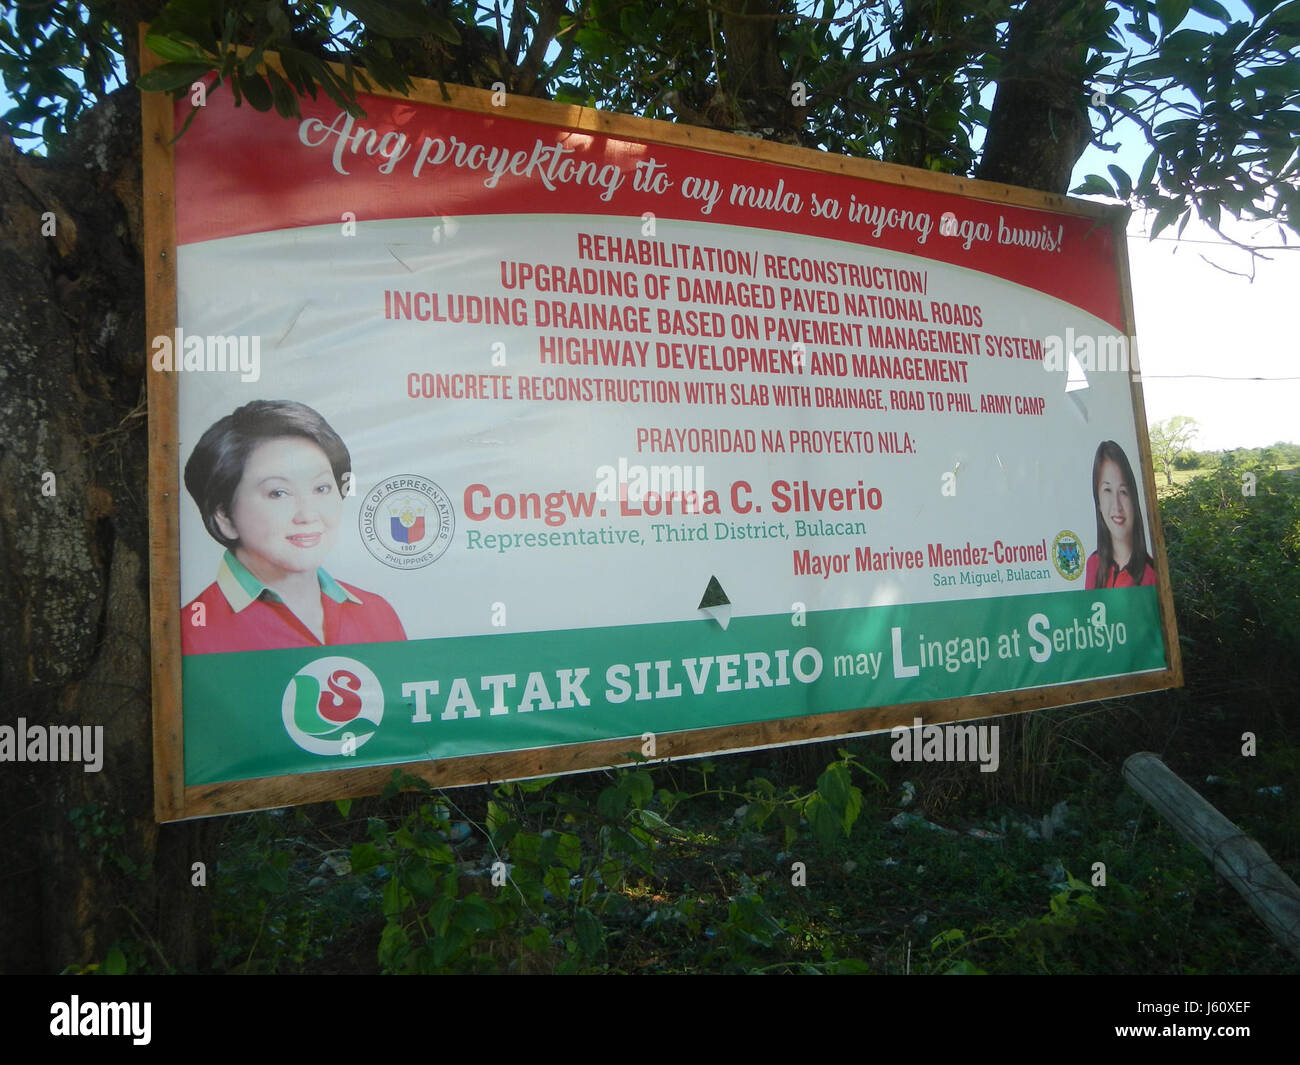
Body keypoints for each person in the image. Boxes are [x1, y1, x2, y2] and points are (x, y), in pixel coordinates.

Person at [182, 400, 406, 653]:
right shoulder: (193, 632)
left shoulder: (376, 614)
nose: (308, 515)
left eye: (322, 488)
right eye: (278, 493)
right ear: (224, 516)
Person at [1085, 440, 1156, 589]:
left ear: (1134, 499)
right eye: (1107, 490)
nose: (1116, 506)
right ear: (1098, 501)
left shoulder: (1151, 573)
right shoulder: (1093, 564)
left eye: (1123, 492)